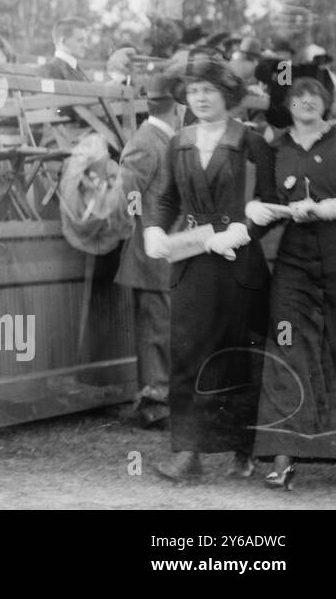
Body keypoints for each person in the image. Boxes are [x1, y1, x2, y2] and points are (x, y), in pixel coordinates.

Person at [143, 53, 275, 483]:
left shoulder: (250, 141)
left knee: (240, 356)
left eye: (209, 91)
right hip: (192, 264)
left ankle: (246, 449)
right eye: (194, 91)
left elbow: (268, 203)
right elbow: (165, 199)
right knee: (187, 356)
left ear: (228, 95)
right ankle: (188, 453)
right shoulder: (178, 142)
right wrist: (154, 231)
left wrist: (239, 232)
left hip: (238, 266)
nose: (200, 98)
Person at [250, 69, 336, 489]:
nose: (307, 101)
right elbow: (264, 201)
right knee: (286, 347)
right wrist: (257, 212)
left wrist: (326, 209)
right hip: (295, 264)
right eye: (299, 95)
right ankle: (282, 457)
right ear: (287, 105)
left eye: (315, 94)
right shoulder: (276, 147)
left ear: (326, 102)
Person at [114, 72, 180, 428]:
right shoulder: (147, 141)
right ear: (177, 106)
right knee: (157, 332)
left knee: (164, 329)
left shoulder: (163, 138)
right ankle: (154, 404)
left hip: (166, 253)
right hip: (151, 255)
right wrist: (149, 225)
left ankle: (162, 399)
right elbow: (127, 195)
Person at [41, 17, 91, 82]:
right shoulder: (49, 71)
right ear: (63, 41)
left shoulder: (78, 70)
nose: (86, 45)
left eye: (86, 41)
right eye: (80, 40)